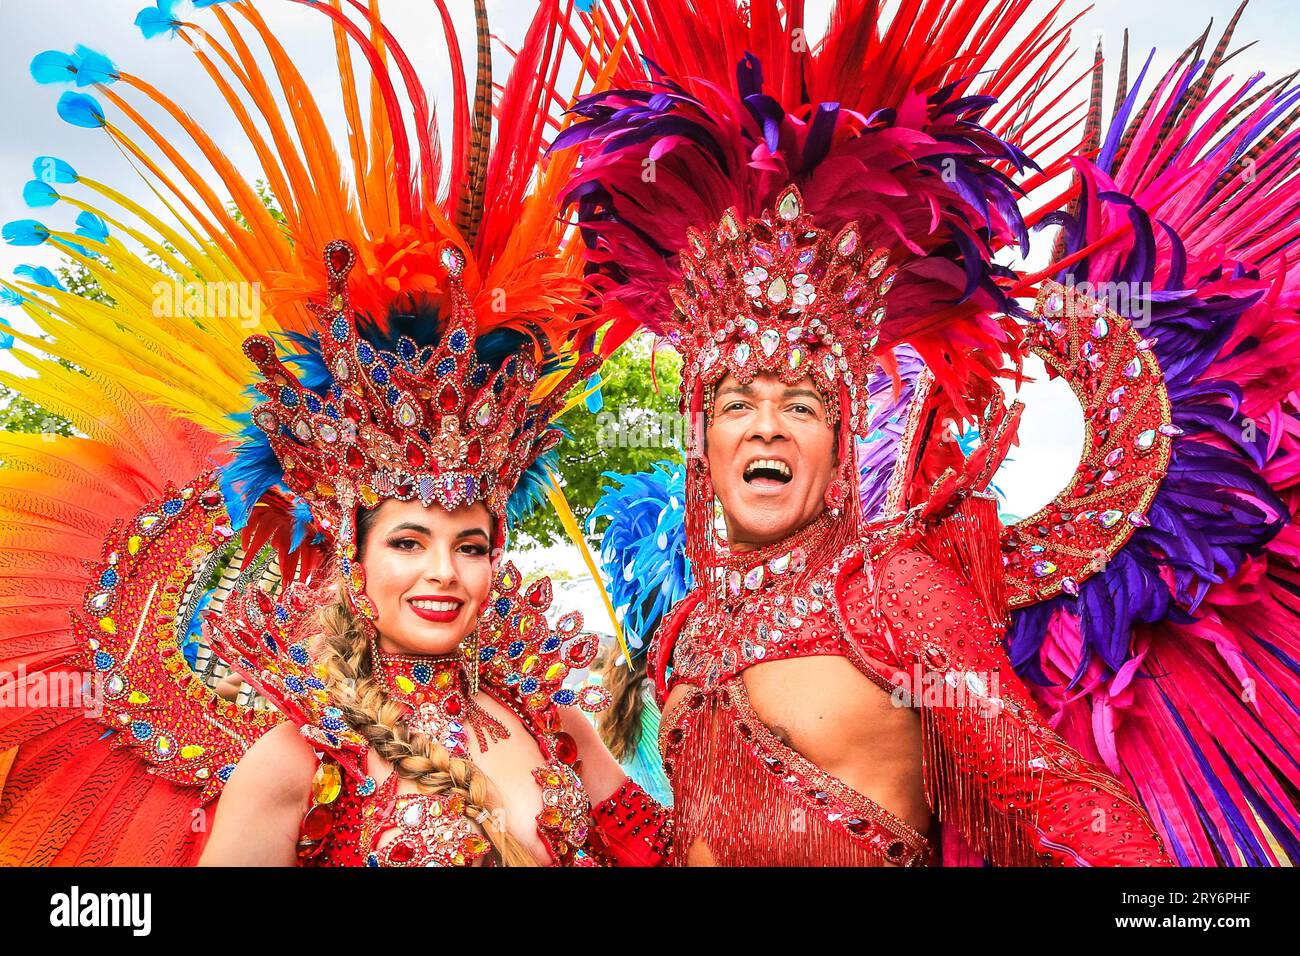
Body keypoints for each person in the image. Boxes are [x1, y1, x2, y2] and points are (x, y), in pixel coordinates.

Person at [548, 0, 1296, 865]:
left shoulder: (892, 590)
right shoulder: (688, 632)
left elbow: (1051, 796)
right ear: (701, 437)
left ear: (840, 442)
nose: (768, 430)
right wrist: (586, 756)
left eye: (801, 406)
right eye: (738, 404)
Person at [0, 0, 666, 867]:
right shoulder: (302, 756)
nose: (442, 572)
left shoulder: (554, 722)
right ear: (354, 557)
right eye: (409, 540)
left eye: (470, 545)